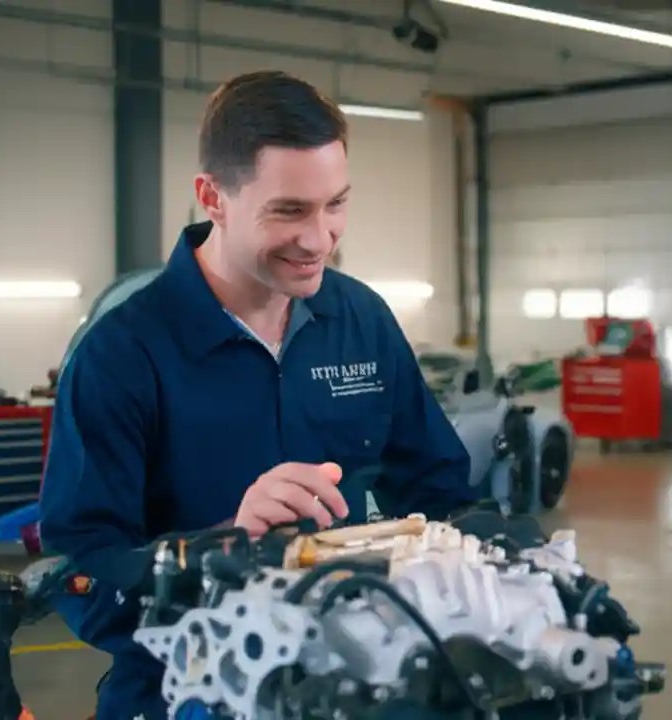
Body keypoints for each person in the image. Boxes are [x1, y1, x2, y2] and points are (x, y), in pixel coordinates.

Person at [38, 70, 477, 719]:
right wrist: (226, 545)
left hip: (354, 686)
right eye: (289, 211)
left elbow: (443, 493)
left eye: (336, 204)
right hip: (184, 693)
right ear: (211, 197)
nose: (321, 238)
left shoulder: (363, 321)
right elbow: (81, 573)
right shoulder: (123, 353)